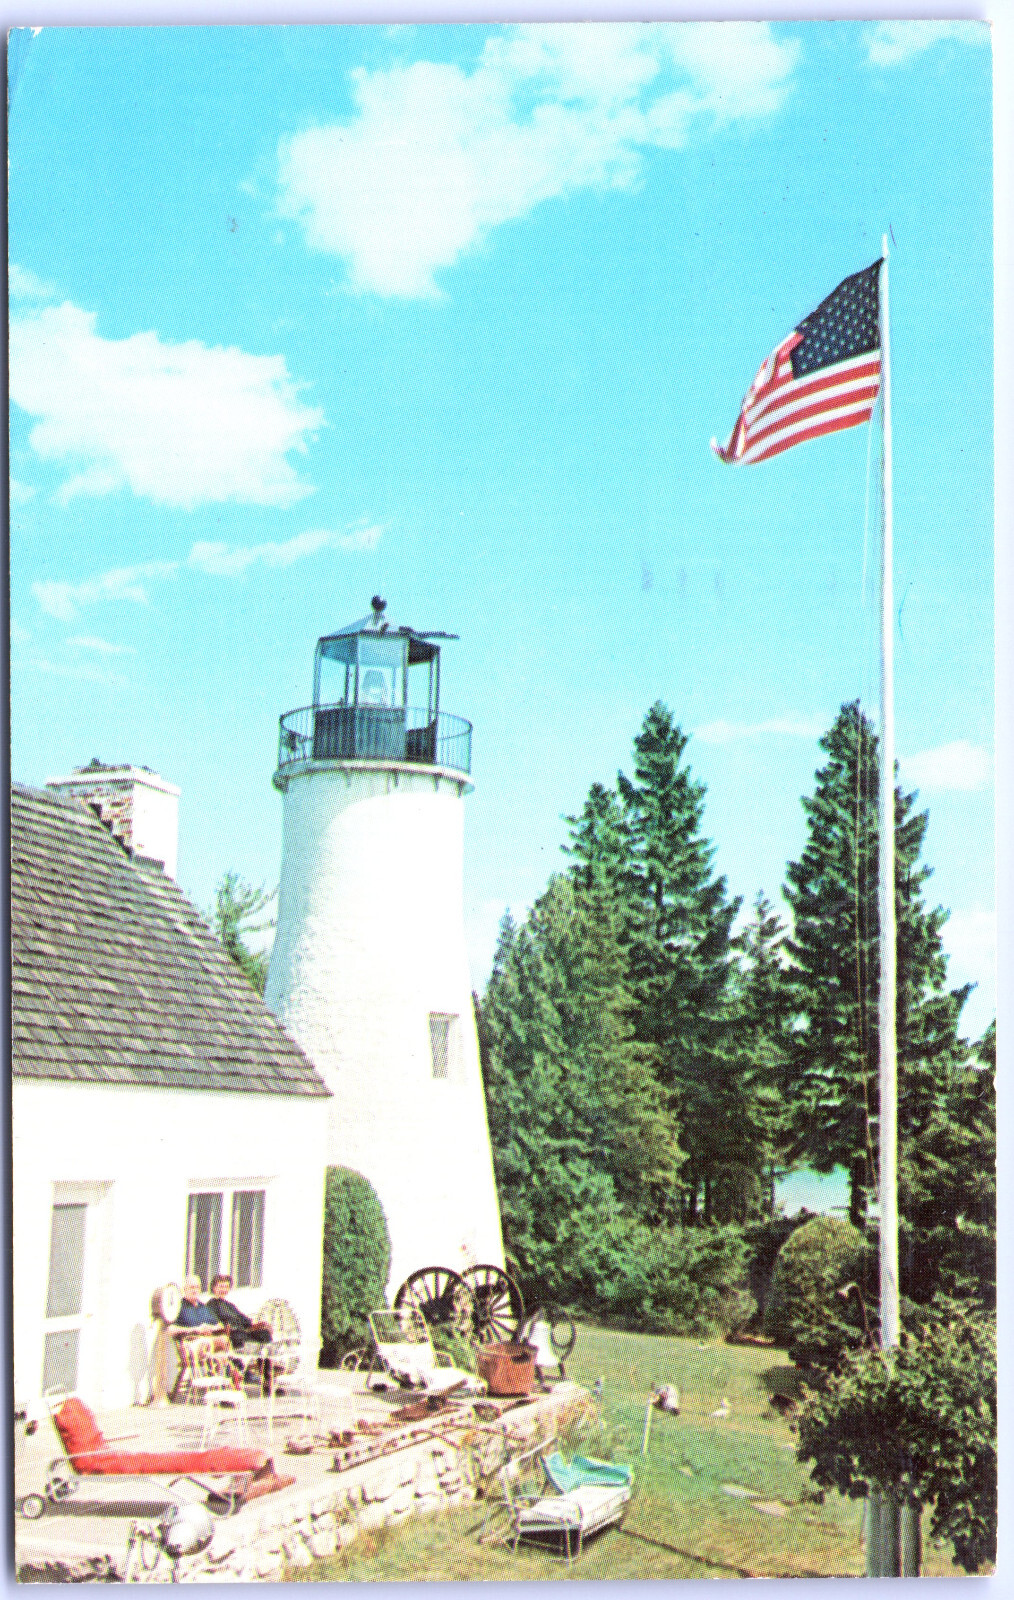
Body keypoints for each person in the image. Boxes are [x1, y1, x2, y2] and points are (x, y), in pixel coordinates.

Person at [206, 1275, 272, 1352]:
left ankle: (266, 1360)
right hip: (231, 1334)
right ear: (214, 1288)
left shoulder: (230, 1305)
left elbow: (245, 1320)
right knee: (240, 1337)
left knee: (264, 1333)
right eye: (221, 1287)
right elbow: (215, 1323)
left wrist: (259, 1325)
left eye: (226, 1287)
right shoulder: (211, 1305)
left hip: (243, 1332)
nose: (223, 1289)